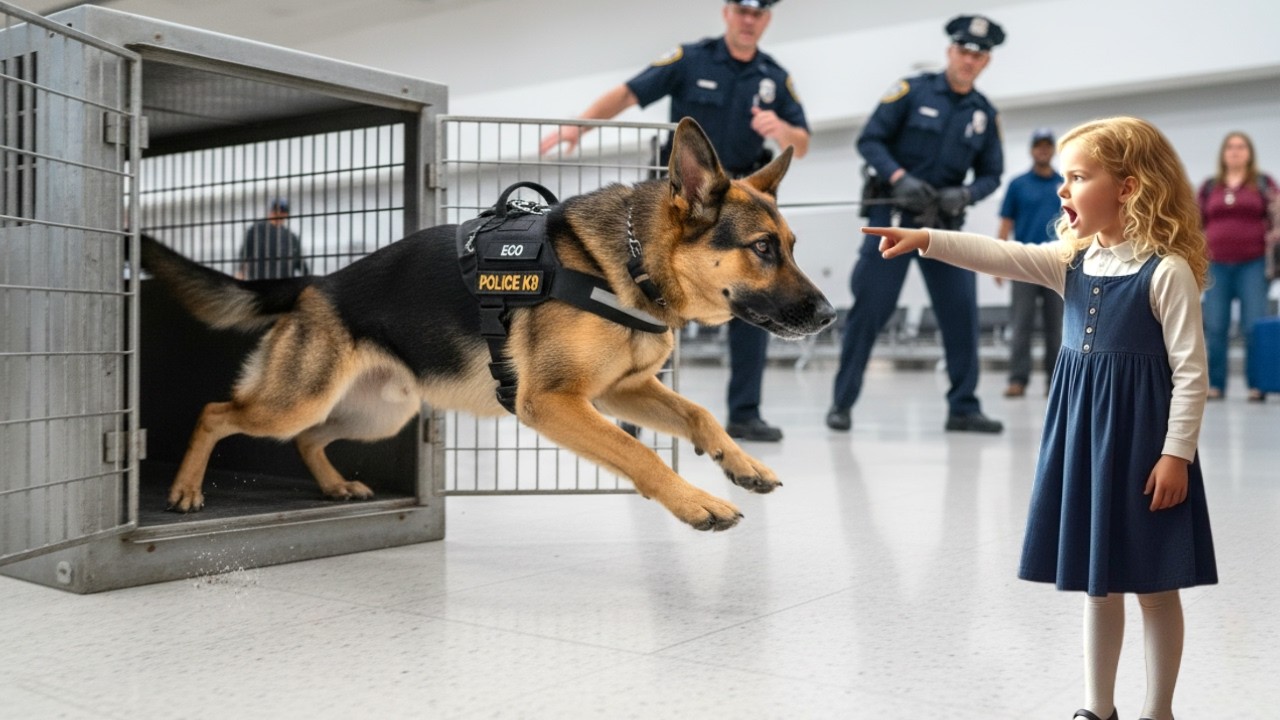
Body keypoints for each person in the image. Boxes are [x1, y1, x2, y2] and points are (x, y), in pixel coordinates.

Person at [866, 116, 1218, 720]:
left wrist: (1175, 455)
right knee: (1097, 583)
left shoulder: (1166, 272)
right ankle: (1097, 708)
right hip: (1085, 444)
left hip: (1144, 448)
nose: (1062, 188)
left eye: (1078, 177)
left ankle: (1158, 711)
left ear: (1128, 188)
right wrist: (926, 238)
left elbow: (1191, 374)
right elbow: (1002, 254)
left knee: (1156, 589)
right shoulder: (1072, 262)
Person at [539, 0, 809, 443]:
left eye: (758, 13)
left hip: (741, 210)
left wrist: (781, 128)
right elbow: (628, 92)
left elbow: (802, 141)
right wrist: (577, 128)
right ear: (727, 12)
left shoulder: (774, 78)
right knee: (649, 302)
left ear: (767, 20)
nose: (749, 19)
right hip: (685, 206)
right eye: (742, 10)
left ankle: (745, 412)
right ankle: (631, 404)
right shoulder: (691, 59)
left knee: (756, 299)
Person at [825, 15, 1006, 433]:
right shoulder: (912, 91)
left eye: (978, 55)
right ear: (950, 52)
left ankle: (964, 408)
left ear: (986, 62)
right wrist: (898, 177)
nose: (969, 60)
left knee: (961, 312)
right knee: (870, 308)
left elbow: (992, 174)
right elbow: (870, 139)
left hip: (944, 224)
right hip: (894, 216)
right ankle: (841, 403)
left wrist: (966, 194)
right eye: (964, 51)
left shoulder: (983, 113)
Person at [1197, 131, 1278, 402]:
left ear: (1249, 153)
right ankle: (1216, 384)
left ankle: (1258, 385)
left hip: (1253, 264)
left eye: (1241, 147)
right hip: (1216, 265)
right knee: (1215, 326)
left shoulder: (1263, 184)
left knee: (1253, 326)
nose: (1235, 151)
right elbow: (1196, 221)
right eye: (1230, 147)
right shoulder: (1210, 187)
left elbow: (1276, 216)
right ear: (1223, 153)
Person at [996, 128, 1065, 398]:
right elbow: (1006, 223)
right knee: (1020, 324)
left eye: (1047, 145)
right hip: (1023, 263)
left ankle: (1055, 383)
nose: (1043, 150)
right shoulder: (1018, 185)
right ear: (1032, 150)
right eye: (1039, 145)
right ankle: (1017, 380)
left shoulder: (1064, 185)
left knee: (1056, 328)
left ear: (1053, 150)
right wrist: (999, 262)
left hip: (1056, 263)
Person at [238, 198, 308, 280]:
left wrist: (308, 279)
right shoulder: (256, 230)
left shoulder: (291, 237)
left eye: (282, 211)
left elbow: (300, 263)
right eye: (276, 210)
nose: (278, 214)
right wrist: (241, 272)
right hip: (260, 281)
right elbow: (245, 254)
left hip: (284, 283)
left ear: (286, 214)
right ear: (271, 212)